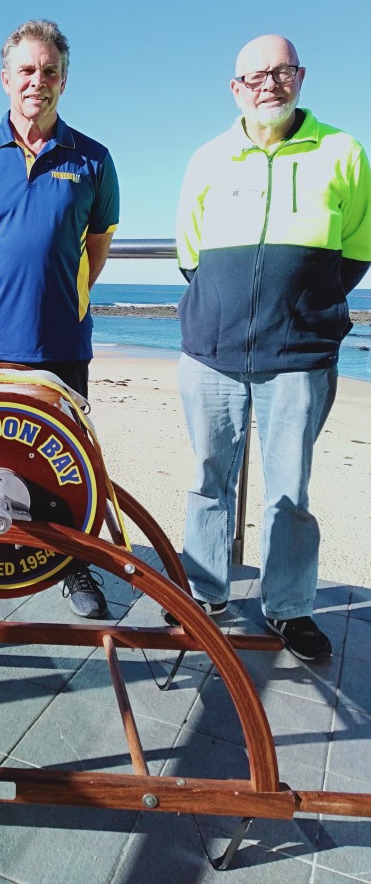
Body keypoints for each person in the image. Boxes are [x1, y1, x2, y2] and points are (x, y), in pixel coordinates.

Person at [174, 34, 371, 659]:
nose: (269, 84)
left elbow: (358, 250)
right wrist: (226, 312)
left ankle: (288, 607)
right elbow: (189, 253)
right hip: (211, 351)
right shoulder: (208, 157)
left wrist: (302, 309)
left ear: (300, 77)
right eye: (255, 76)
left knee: (291, 489)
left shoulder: (343, 152)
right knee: (209, 478)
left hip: (299, 355)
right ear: (235, 88)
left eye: (281, 71)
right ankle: (204, 592)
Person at [0, 19, 120, 618]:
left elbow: (96, 249)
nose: (36, 80)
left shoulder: (94, 160)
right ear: (5, 79)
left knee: (66, 465)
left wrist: (60, 294)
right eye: (26, 70)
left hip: (61, 342)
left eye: (49, 70)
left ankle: (72, 566)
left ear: (64, 80)